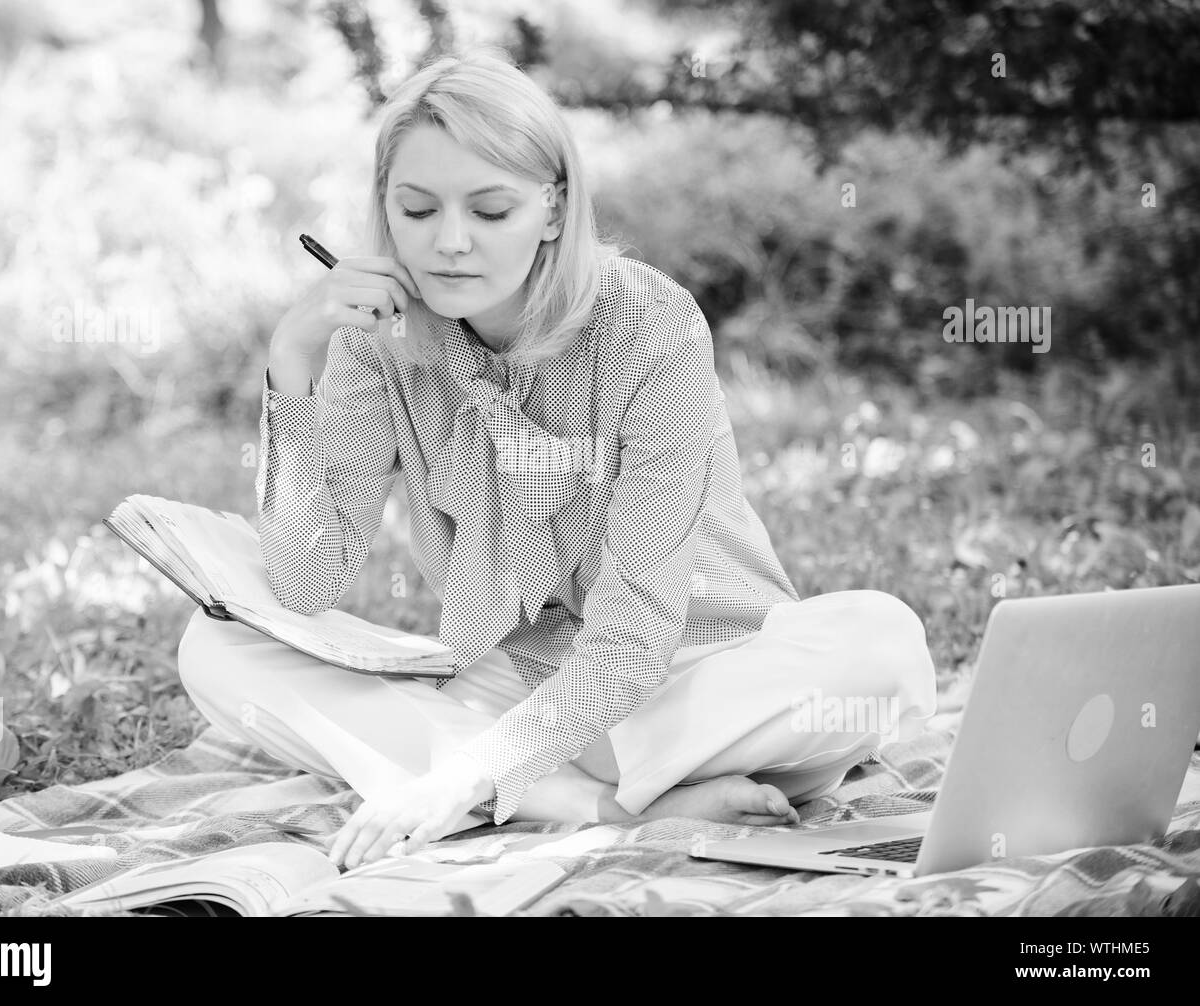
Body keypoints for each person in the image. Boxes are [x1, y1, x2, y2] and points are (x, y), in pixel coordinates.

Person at [177, 46, 937, 872]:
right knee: (217, 648)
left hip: (702, 677)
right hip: (526, 689)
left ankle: (507, 780)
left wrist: (468, 768)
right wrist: (293, 358)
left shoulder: (653, 325)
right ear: (384, 210)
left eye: (491, 210)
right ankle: (601, 807)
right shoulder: (376, 344)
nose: (451, 243)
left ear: (552, 209)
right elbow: (309, 581)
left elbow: (639, 631)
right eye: (418, 210)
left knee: (881, 640)